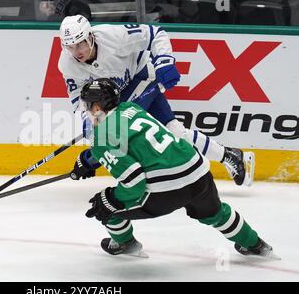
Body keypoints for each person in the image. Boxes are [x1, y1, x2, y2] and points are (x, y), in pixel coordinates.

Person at [76, 78, 277, 259]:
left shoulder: (100, 137)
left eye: (86, 104)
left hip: (166, 192)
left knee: (104, 205)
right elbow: (131, 141)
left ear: (96, 106)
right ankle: (256, 245)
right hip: (198, 172)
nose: (85, 109)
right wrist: (89, 160)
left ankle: (125, 243)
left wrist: (112, 198)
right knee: (215, 213)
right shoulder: (131, 108)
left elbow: (134, 181)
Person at [58, 14, 255, 186]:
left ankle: (96, 160)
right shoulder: (67, 64)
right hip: (119, 93)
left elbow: (155, 33)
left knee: (118, 130)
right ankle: (229, 155)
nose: (77, 52)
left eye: (81, 43)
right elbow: (79, 98)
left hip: (143, 77)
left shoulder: (114, 37)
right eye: (71, 47)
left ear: (91, 36)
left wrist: (164, 60)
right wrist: (87, 120)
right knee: (174, 131)